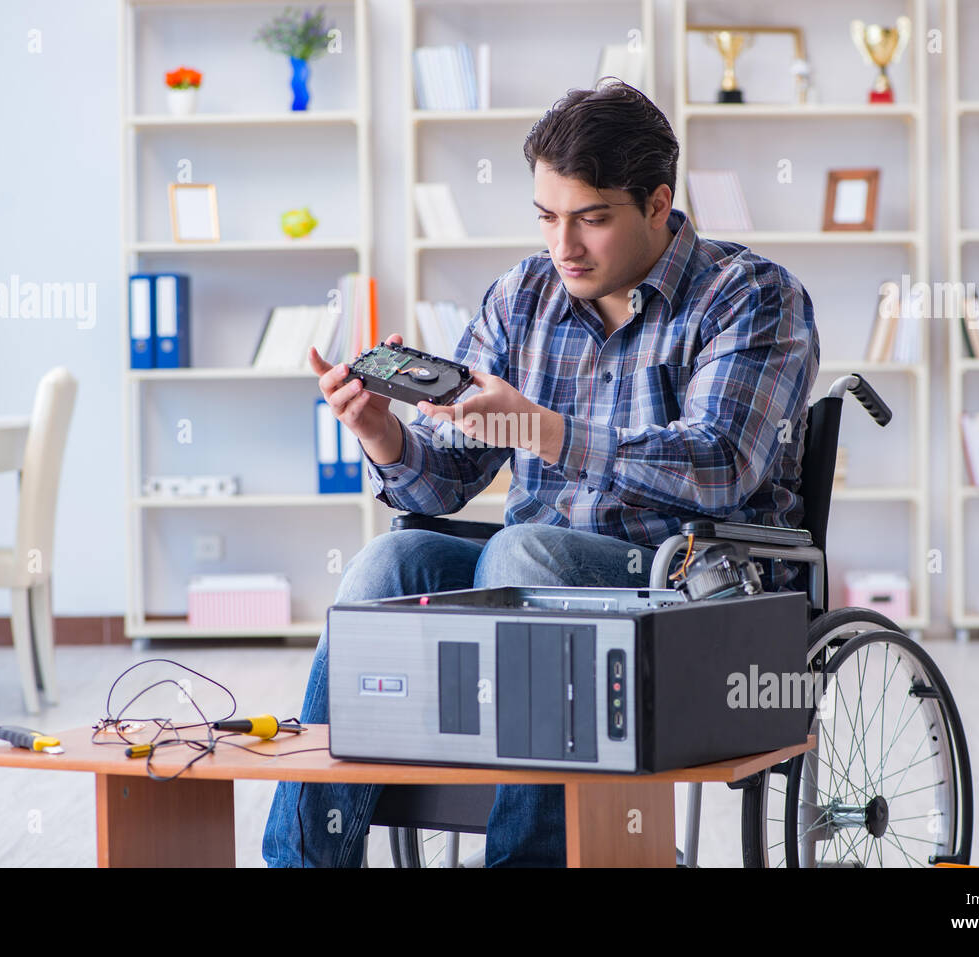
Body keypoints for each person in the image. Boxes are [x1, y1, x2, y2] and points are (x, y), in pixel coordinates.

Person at [263, 79, 819, 867]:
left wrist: (542, 430)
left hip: (691, 590)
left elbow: (722, 463)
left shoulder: (752, 297)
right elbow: (445, 481)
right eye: (549, 217)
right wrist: (385, 435)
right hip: (536, 589)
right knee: (391, 560)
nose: (565, 246)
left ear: (659, 204)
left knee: (523, 555)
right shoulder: (523, 296)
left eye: (592, 218)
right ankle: (304, 859)